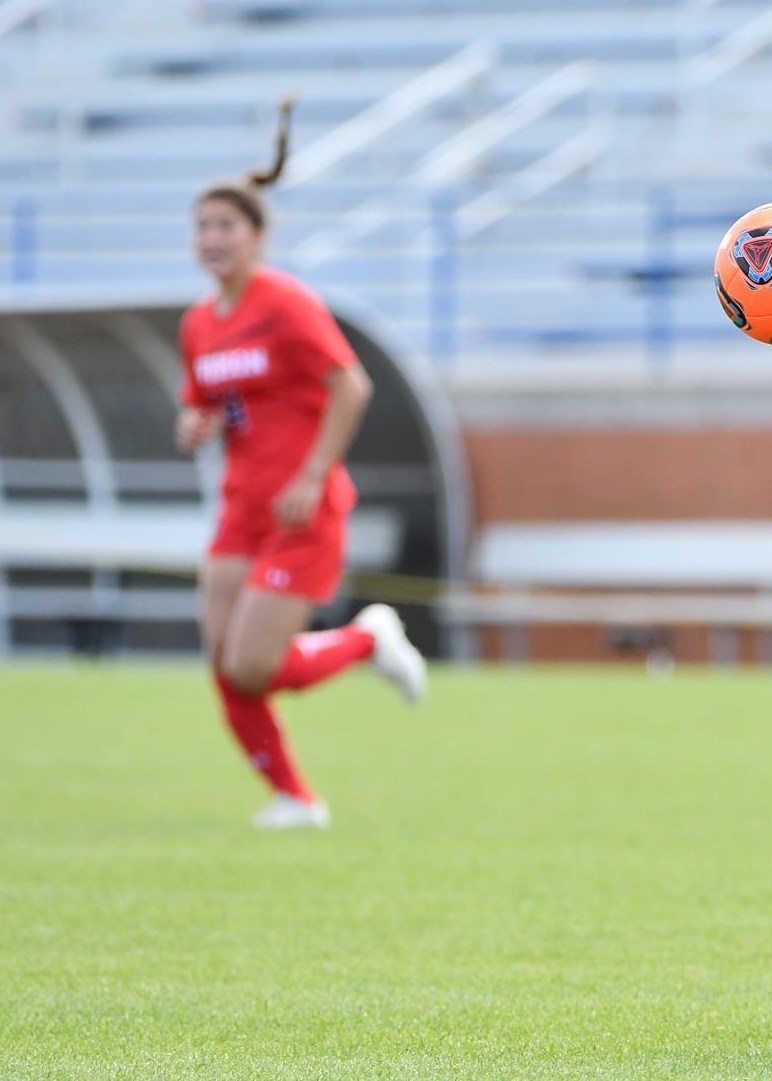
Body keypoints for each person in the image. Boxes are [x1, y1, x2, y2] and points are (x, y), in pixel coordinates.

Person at [176, 98, 427, 830]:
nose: (213, 238)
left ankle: (367, 639)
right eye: (203, 227)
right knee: (224, 663)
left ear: (256, 236)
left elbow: (350, 383)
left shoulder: (284, 302)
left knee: (253, 664)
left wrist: (314, 472)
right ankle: (295, 797)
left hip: (301, 508)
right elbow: (208, 404)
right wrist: (193, 422)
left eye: (226, 226)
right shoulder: (199, 322)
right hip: (240, 508)